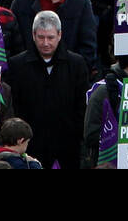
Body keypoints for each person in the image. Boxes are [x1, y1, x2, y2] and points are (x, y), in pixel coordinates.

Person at [5, 9, 90, 169]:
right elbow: (14, 106)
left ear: (59, 35)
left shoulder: (76, 64)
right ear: (33, 35)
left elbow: (82, 106)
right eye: (41, 37)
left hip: (68, 146)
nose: (45, 43)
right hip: (30, 146)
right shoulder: (17, 65)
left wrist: (76, 136)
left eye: (50, 37)